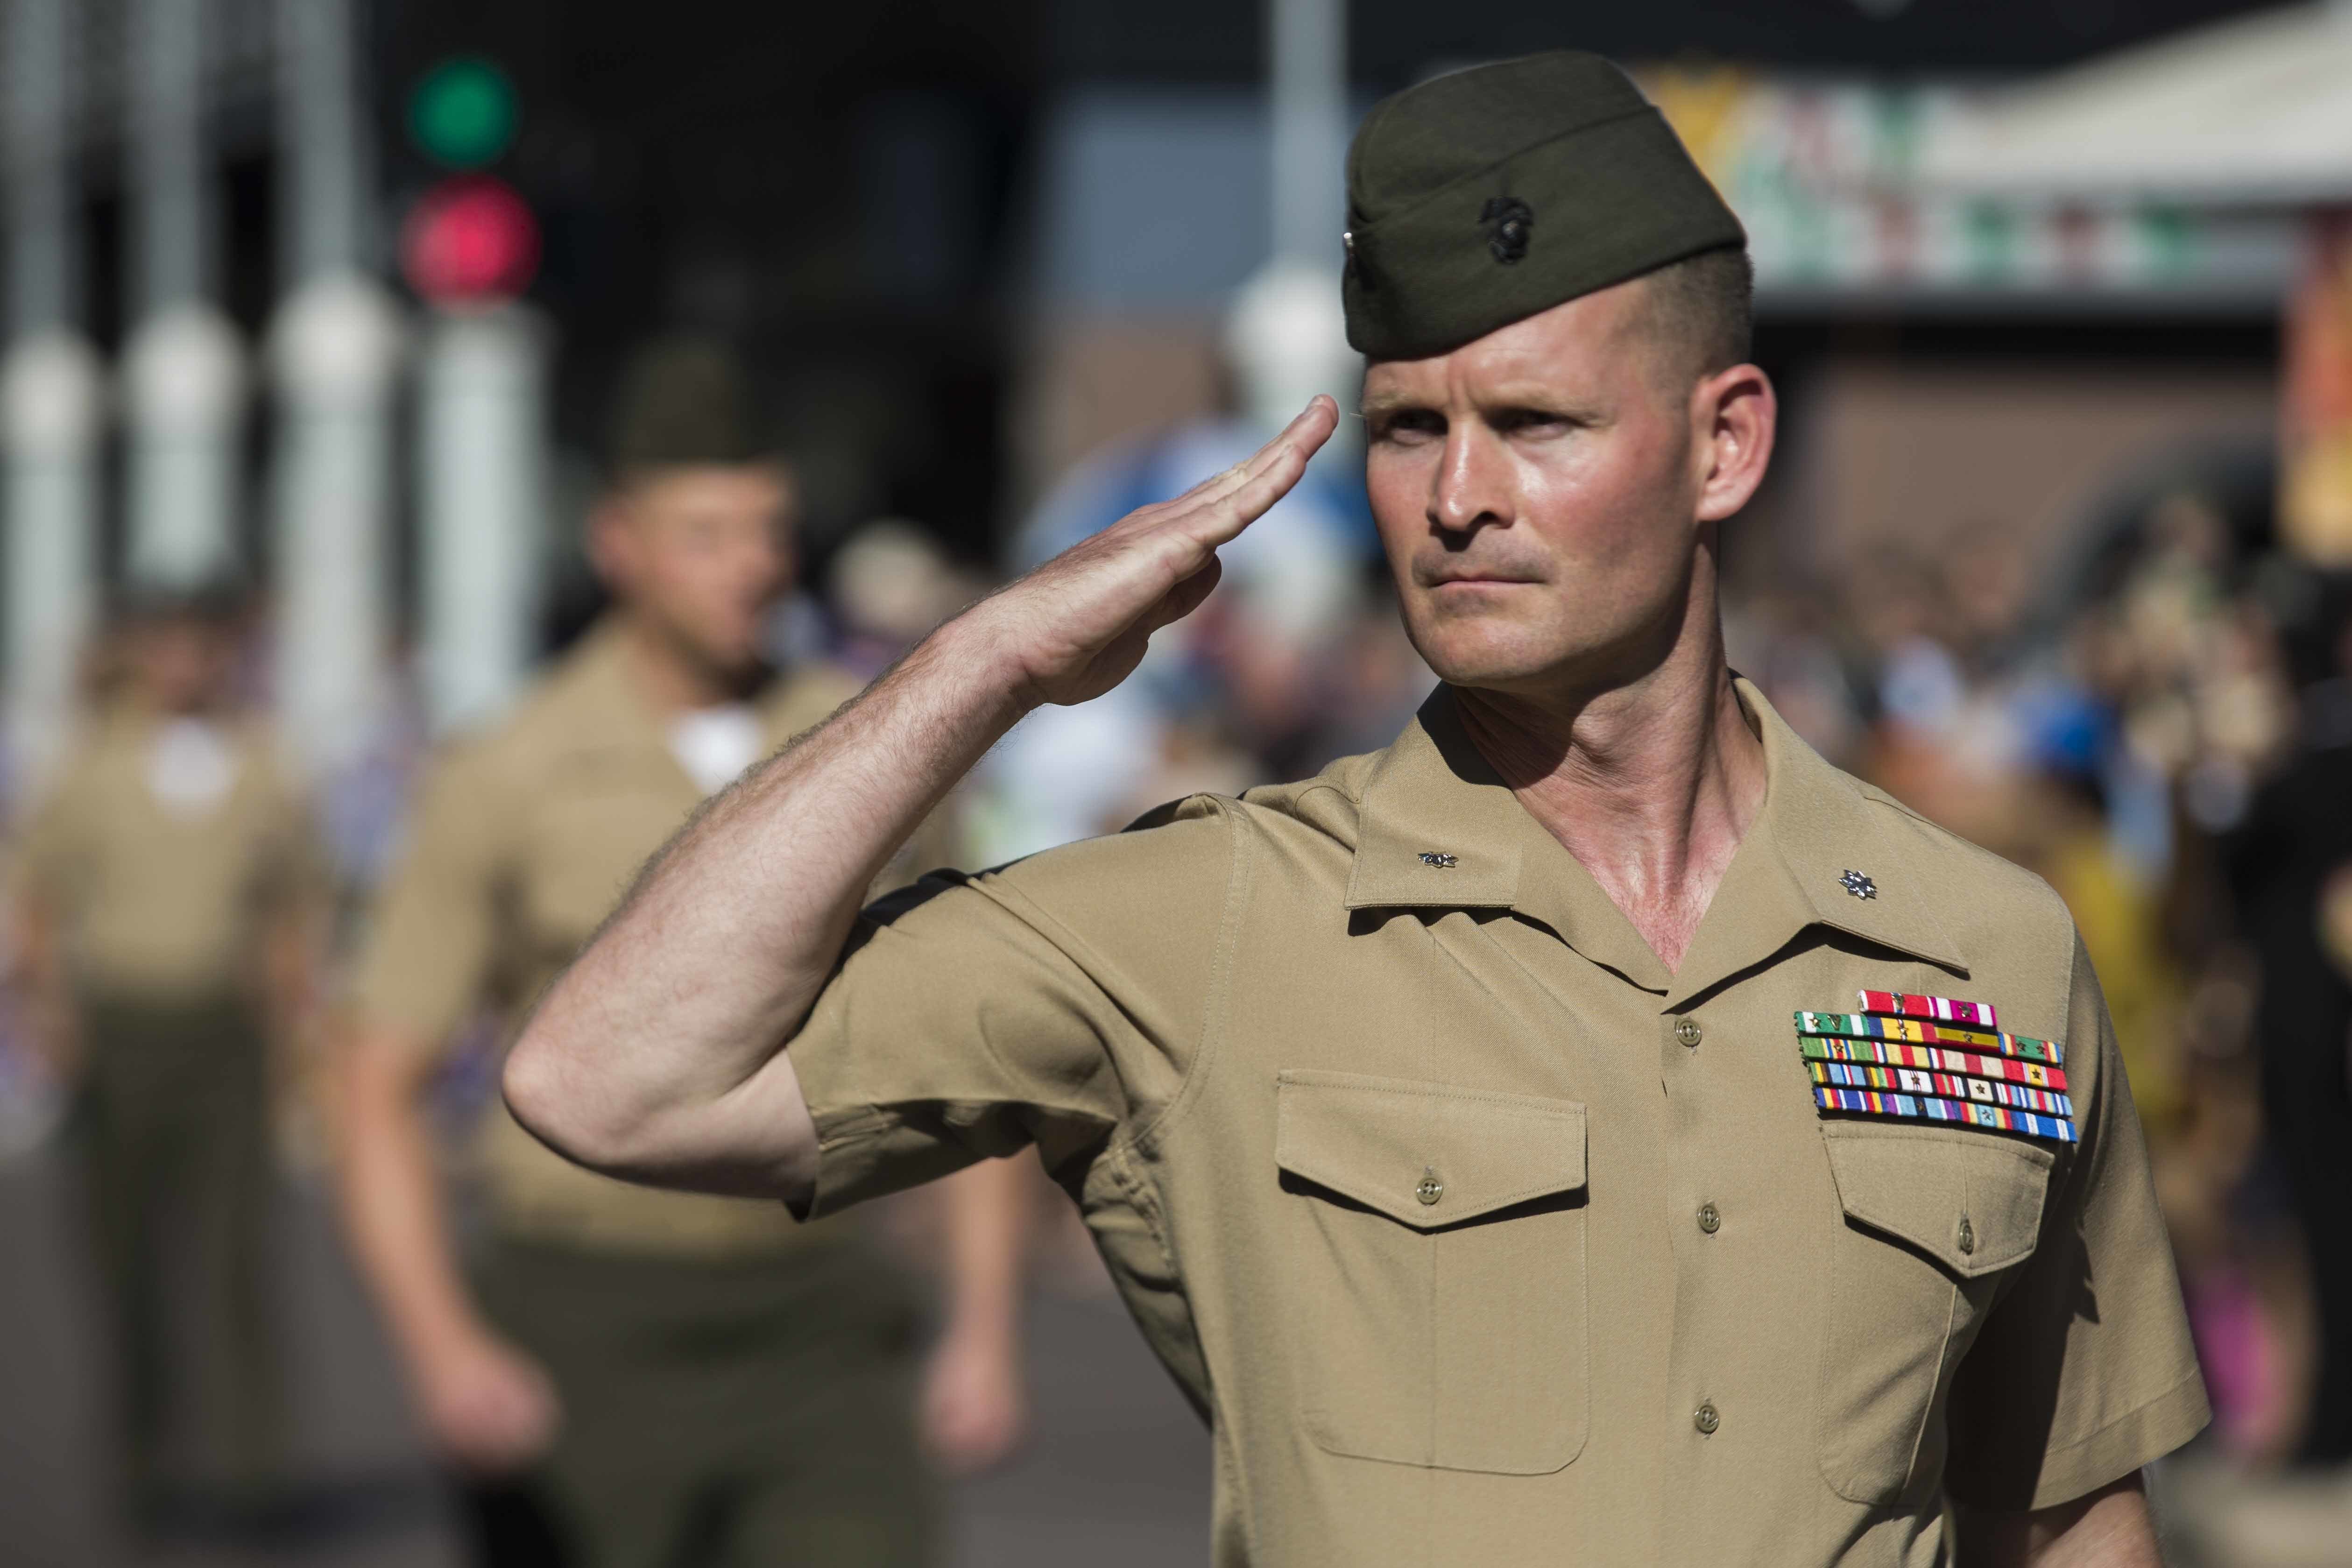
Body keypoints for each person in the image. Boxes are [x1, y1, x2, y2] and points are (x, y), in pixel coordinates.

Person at [503, 57, 2208, 1567]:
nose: (1455, 498)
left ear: (1722, 446)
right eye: (1405, 430)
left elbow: (2057, 1510)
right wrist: (979, 661)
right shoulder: (1218, 919)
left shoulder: (1977, 950)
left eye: (1531, 422)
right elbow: (613, 1077)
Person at [332, 341, 1027, 1568]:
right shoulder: (509, 769)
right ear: (618, 544)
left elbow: (967, 1042)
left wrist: (982, 1323)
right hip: (588, 1312)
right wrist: (443, 1344)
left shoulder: (870, 747)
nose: (753, 564)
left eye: (768, 528)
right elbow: (373, 1081)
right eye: (705, 532)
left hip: (816, 1314)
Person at [11, 584, 326, 1522]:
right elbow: (38, 893)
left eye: (203, 647)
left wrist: (296, 1028)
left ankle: (252, 1473)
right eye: (167, 647)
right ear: (142, 656)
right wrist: (50, 1018)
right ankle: (143, 1472)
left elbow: (295, 903)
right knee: (125, 1259)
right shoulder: (93, 763)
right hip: (121, 1027)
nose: (185, 666)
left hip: (224, 1028)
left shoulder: (264, 763)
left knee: (237, 1257)